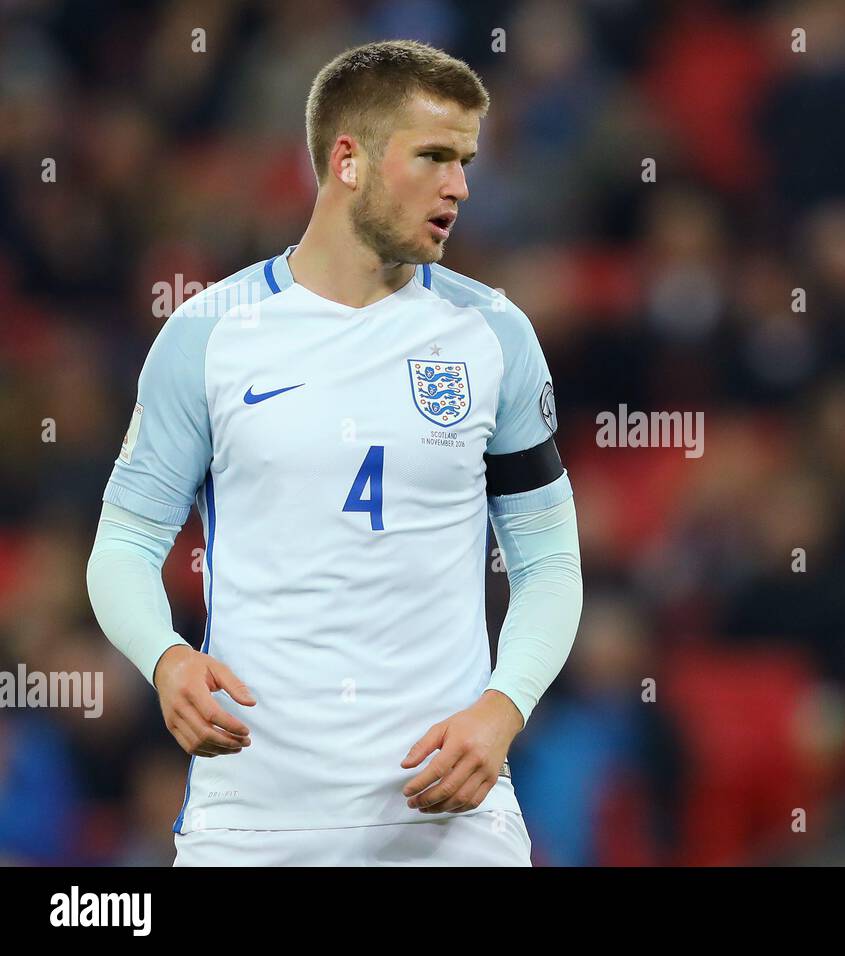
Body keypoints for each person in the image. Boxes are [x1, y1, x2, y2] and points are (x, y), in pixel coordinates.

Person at [85, 40, 583, 866]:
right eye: (432, 157)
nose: (459, 185)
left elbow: (550, 562)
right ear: (347, 160)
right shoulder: (209, 335)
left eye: (465, 160)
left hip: (450, 822)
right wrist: (166, 658)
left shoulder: (494, 335)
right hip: (252, 821)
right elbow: (124, 546)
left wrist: (505, 707)